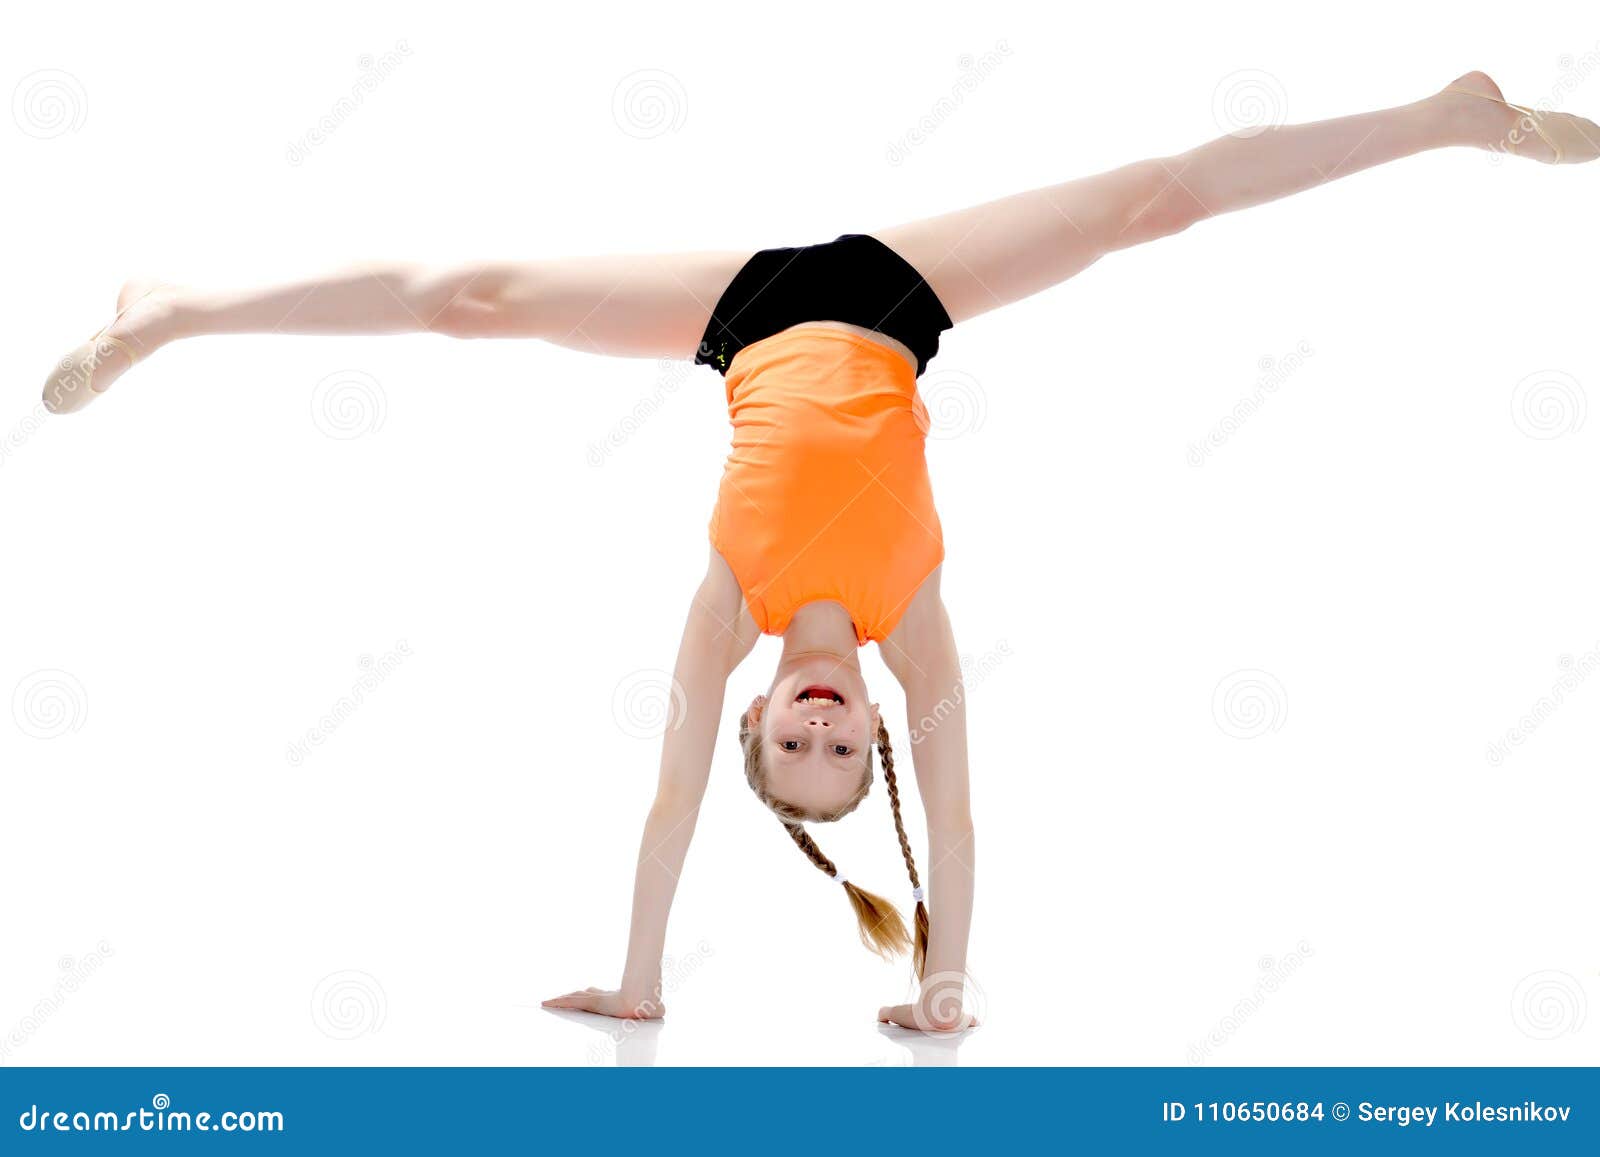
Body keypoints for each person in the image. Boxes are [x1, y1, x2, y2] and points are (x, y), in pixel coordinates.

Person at [43, 72, 1596, 1032]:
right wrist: (941, 979)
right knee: (1156, 205)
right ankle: (1451, 119)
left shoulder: (729, 611)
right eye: (840, 753)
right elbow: (965, 823)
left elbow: (663, 809)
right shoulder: (918, 628)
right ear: (867, 740)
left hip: (738, 313)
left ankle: (173, 309)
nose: (821, 725)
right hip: (904, 297)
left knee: (474, 299)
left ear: (758, 721)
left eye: (789, 744)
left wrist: (642, 977)